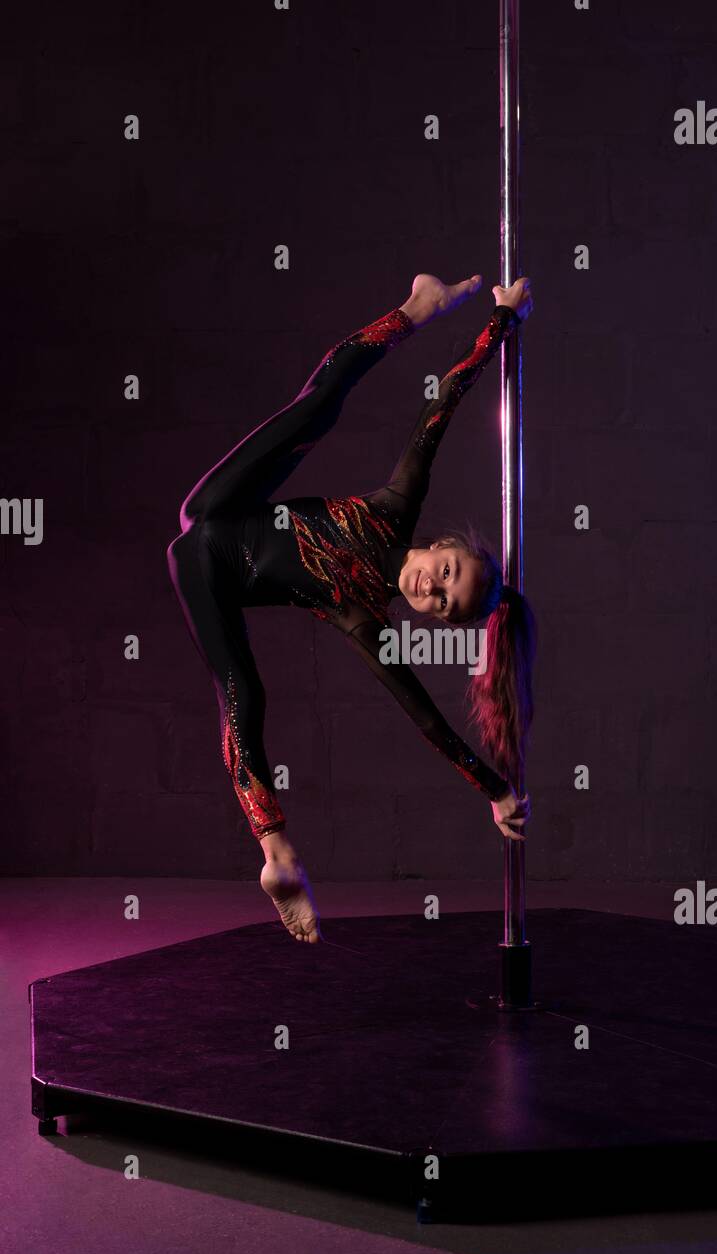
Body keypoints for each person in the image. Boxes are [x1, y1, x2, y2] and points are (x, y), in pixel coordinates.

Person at [167, 273, 536, 942]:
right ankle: (415, 304)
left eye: (445, 604)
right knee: (320, 406)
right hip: (221, 510)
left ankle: (277, 856)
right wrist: (500, 326)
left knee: (242, 693)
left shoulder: (365, 621)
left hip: (202, 572)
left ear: (433, 621)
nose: (434, 587)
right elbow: (441, 407)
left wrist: (496, 790)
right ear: (438, 545)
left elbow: (424, 718)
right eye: (446, 572)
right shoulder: (394, 511)